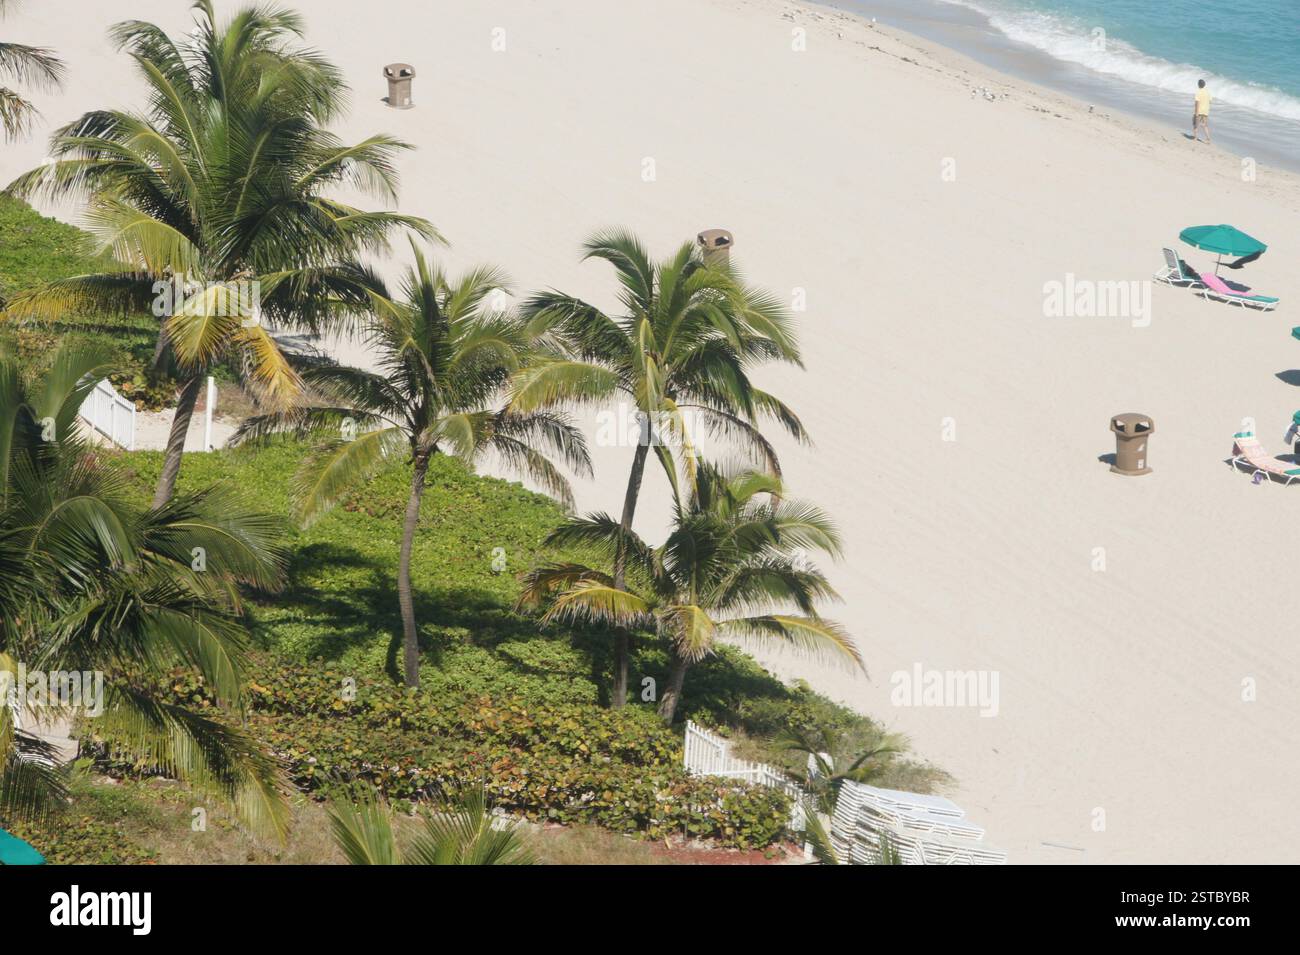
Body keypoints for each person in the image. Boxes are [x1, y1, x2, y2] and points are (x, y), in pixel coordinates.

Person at [1192, 79, 1212, 144]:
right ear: (1204, 85)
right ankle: (1208, 139)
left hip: (1199, 110)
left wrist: (1196, 112)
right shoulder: (1208, 92)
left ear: (1198, 85)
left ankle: (1195, 138)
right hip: (1206, 111)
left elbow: (1197, 103)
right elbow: (1210, 101)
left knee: (1195, 124)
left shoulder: (1198, 92)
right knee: (1205, 125)